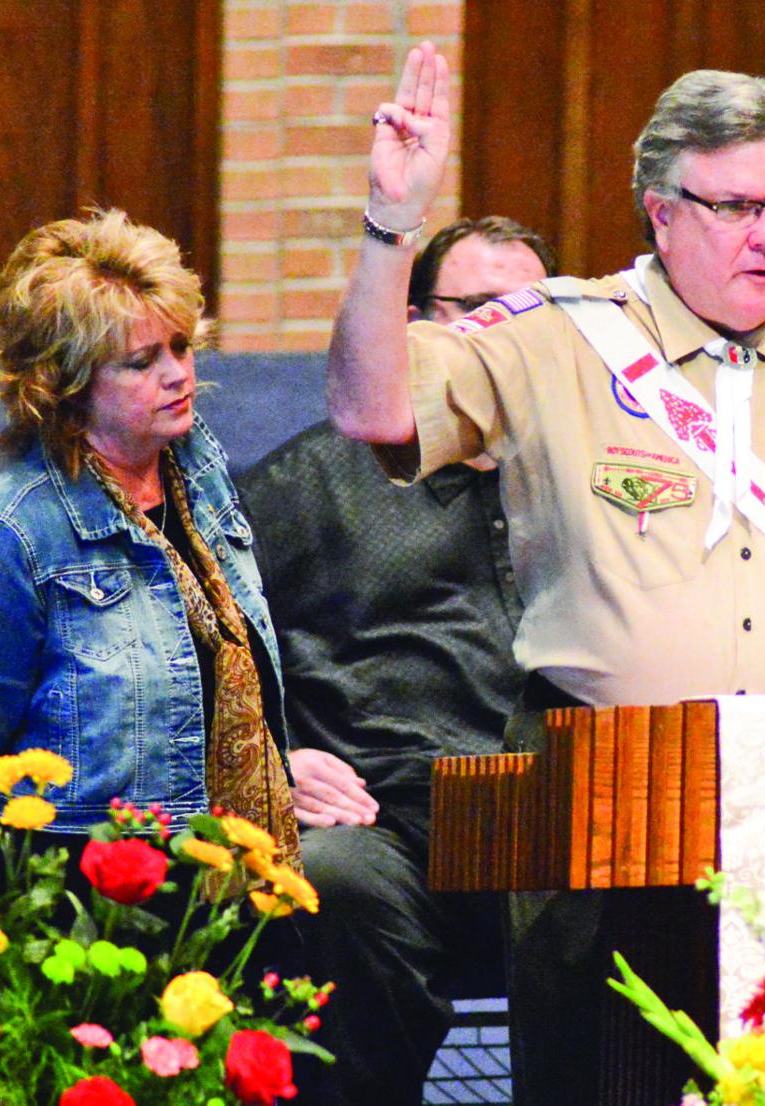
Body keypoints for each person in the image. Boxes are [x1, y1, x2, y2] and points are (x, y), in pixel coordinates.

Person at [326, 43, 765, 1102]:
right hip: (600, 796)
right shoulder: (553, 339)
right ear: (660, 208)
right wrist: (393, 231)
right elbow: (370, 408)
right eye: (732, 206)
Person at [238, 215, 554, 1106]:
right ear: (414, 325)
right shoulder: (316, 480)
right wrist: (268, 761)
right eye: (481, 309)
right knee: (332, 881)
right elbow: (198, 642)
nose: (507, 335)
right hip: (390, 824)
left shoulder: (598, 476)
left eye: (532, 313)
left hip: (565, 820)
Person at [0, 209, 299, 869]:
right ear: (67, 384)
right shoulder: (3, 536)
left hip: (224, 878)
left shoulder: (200, 476)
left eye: (181, 346)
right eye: (141, 362)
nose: (176, 374)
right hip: (86, 900)